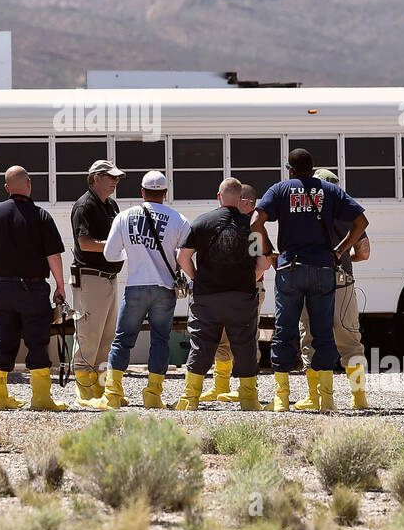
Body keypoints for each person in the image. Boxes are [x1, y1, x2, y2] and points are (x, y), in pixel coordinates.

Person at [252, 148, 368, 412]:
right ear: (313, 168)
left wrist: (269, 251)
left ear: (289, 169)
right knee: (324, 333)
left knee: (285, 332)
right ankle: (327, 400)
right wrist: (339, 250)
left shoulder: (280, 189)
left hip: (290, 268)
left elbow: (255, 222)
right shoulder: (331, 191)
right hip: (323, 269)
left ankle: (282, 399)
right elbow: (361, 222)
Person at [0, 166, 69, 411]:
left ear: (6, 189)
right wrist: (60, 285)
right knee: (37, 340)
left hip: (3, 289)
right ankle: (41, 398)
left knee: (3, 339)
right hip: (33, 289)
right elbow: (53, 254)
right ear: (30, 185)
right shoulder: (41, 216)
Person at [172, 178, 274, 411]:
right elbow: (263, 263)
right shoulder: (251, 226)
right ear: (240, 200)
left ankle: (189, 399)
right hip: (241, 297)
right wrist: (248, 279)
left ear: (218, 197)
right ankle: (249, 400)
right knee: (245, 345)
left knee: (201, 345)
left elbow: (182, 258)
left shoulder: (201, 222)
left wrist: (198, 279)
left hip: (207, 298)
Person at [95, 170, 189, 409]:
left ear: (142, 192)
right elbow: (183, 255)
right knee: (160, 340)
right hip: (164, 288)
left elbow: (110, 254)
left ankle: (113, 394)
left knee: (122, 341)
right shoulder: (179, 219)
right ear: (165, 193)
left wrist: (133, 253)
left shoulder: (125, 216)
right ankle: (153, 396)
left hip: (135, 286)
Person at [296, 168, 372, 409]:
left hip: (312, 281)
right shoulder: (347, 212)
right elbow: (364, 252)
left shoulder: (303, 211)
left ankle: (317, 398)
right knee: (350, 341)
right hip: (342, 281)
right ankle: (359, 398)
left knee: (312, 339)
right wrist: (344, 256)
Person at [69, 159, 126, 406]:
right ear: (95, 178)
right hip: (91, 277)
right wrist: (114, 246)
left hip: (109, 278)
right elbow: (84, 243)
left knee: (107, 337)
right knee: (88, 336)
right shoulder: (84, 206)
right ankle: (84, 391)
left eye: (116, 178)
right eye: (110, 177)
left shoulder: (110, 205)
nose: (115, 181)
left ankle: (99, 390)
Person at [200, 182, 262, 402]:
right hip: (235, 289)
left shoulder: (254, 226)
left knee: (247, 339)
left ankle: (248, 387)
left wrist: (247, 281)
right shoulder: (233, 224)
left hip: (248, 288)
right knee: (222, 340)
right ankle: (221, 385)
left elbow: (264, 261)